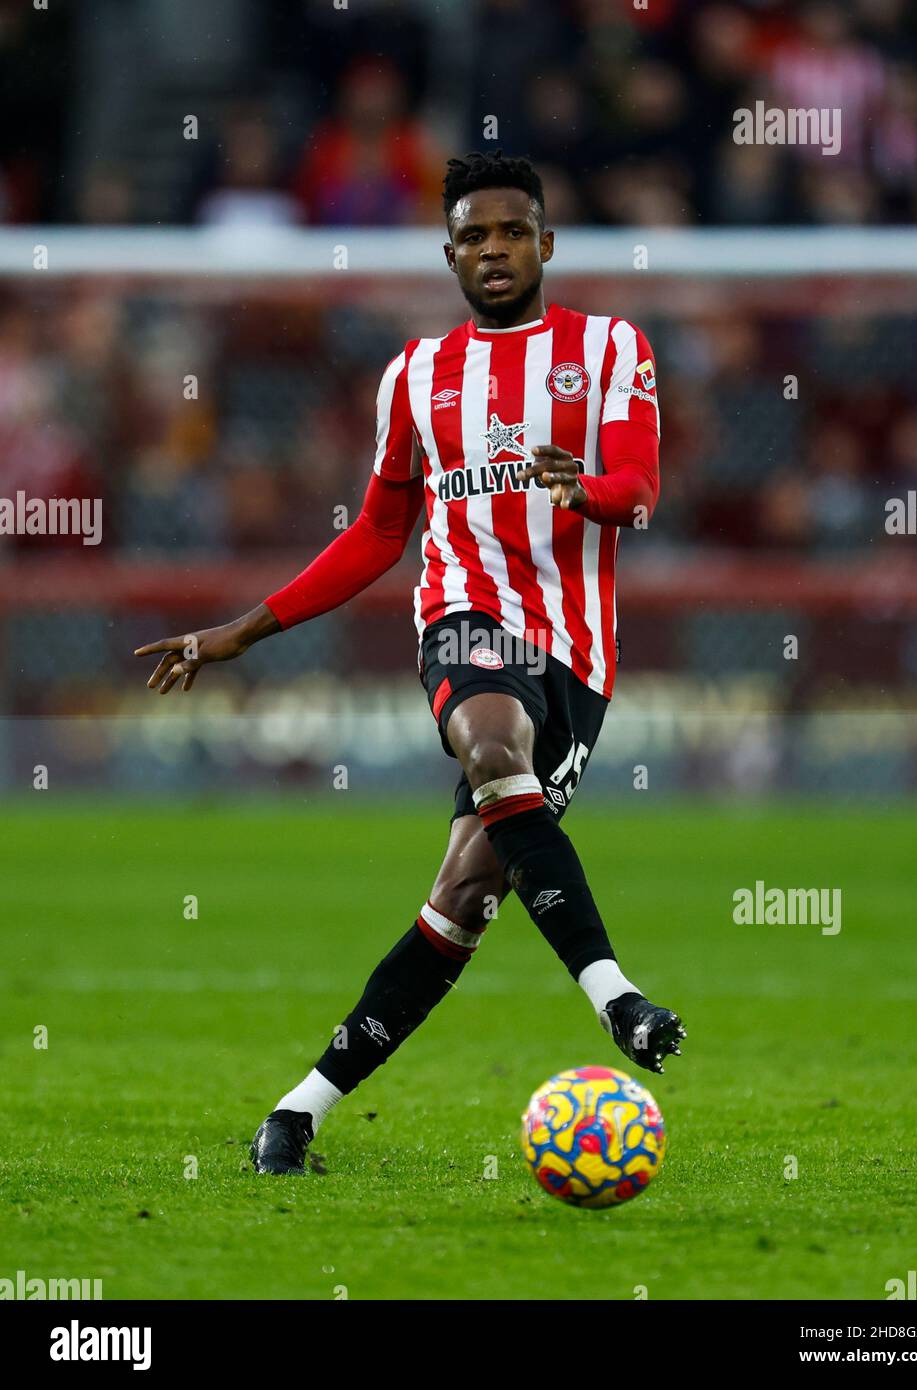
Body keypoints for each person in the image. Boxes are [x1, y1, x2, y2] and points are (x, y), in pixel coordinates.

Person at [136, 150, 685, 1176]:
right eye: (473, 235)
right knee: (489, 738)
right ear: (449, 253)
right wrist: (239, 632)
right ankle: (615, 995)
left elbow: (642, 487)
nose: (493, 250)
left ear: (546, 243)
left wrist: (587, 493)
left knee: (466, 897)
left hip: (578, 655)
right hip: (466, 620)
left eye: (512, 231)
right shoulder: (416, 376)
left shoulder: (613, 349)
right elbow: (377, 535)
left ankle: (296, 1113)